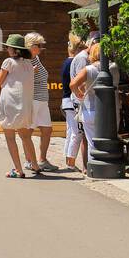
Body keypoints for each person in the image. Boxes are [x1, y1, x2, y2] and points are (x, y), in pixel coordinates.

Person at [0, 33, 38, 178]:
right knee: (25, 136)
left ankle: (18, 170)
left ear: (14, 49)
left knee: (10, 137)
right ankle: (35, 164)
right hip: (25, 104)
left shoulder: (8, 62)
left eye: (8, 48)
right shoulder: (29, 64)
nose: (7, 50)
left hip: (10, 103)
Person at [25, 32, 57, 171]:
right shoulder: (26, 61)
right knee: (28, 131)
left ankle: (42, 159)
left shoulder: (36, 58)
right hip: (33, 100)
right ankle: (29, 160)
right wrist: (31, 73)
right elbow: (23, 81)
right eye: (39, 45)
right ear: (31, 46)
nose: (41, 48)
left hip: (42, 100)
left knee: (47, 130)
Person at [70, 40, 102, 174]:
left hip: (90, 108)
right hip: (109, 111)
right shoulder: (113, 67)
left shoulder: (89, 69)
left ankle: (93, 169)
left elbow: (73, 84)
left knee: (90, 141)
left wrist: (79, 94)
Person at [60, 33, 84, 171]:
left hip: (66, 99)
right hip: (71, 99)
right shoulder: (73, 62)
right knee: (76, 132)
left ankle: (68, 159)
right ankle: (70, 162)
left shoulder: (66, 62)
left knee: (71, 131)